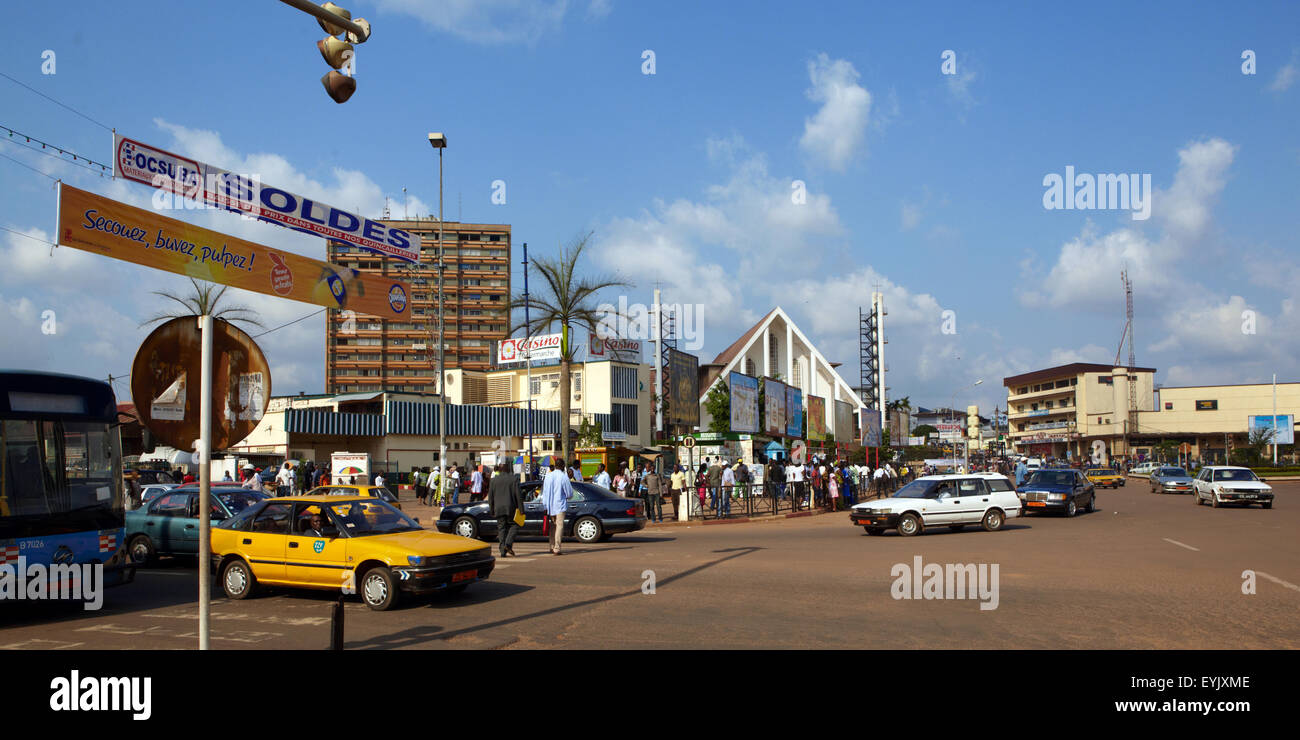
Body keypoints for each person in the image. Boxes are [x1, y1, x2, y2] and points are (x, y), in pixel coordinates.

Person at [488, 462, 522, 557]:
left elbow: (490, 497)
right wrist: (521, 509)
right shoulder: (513, 479)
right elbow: (518, 496)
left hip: (498, 508)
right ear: (507, 469)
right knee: (514, 525)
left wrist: (491, 509)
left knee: (501, 529)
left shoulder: (493, 480)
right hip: (511, 507)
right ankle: (508, 544)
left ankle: (503, 551)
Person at [541, 458, 572, 555]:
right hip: (560, 505)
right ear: (563, 466)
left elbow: (544, 492)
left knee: (552, 527)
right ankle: (557, 548)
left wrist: (545, 506)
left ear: (555, 465)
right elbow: (569, 493)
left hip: (550, 506)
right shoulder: (563, 477)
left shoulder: (548, 476)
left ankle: (551, 546)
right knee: (559, 526)